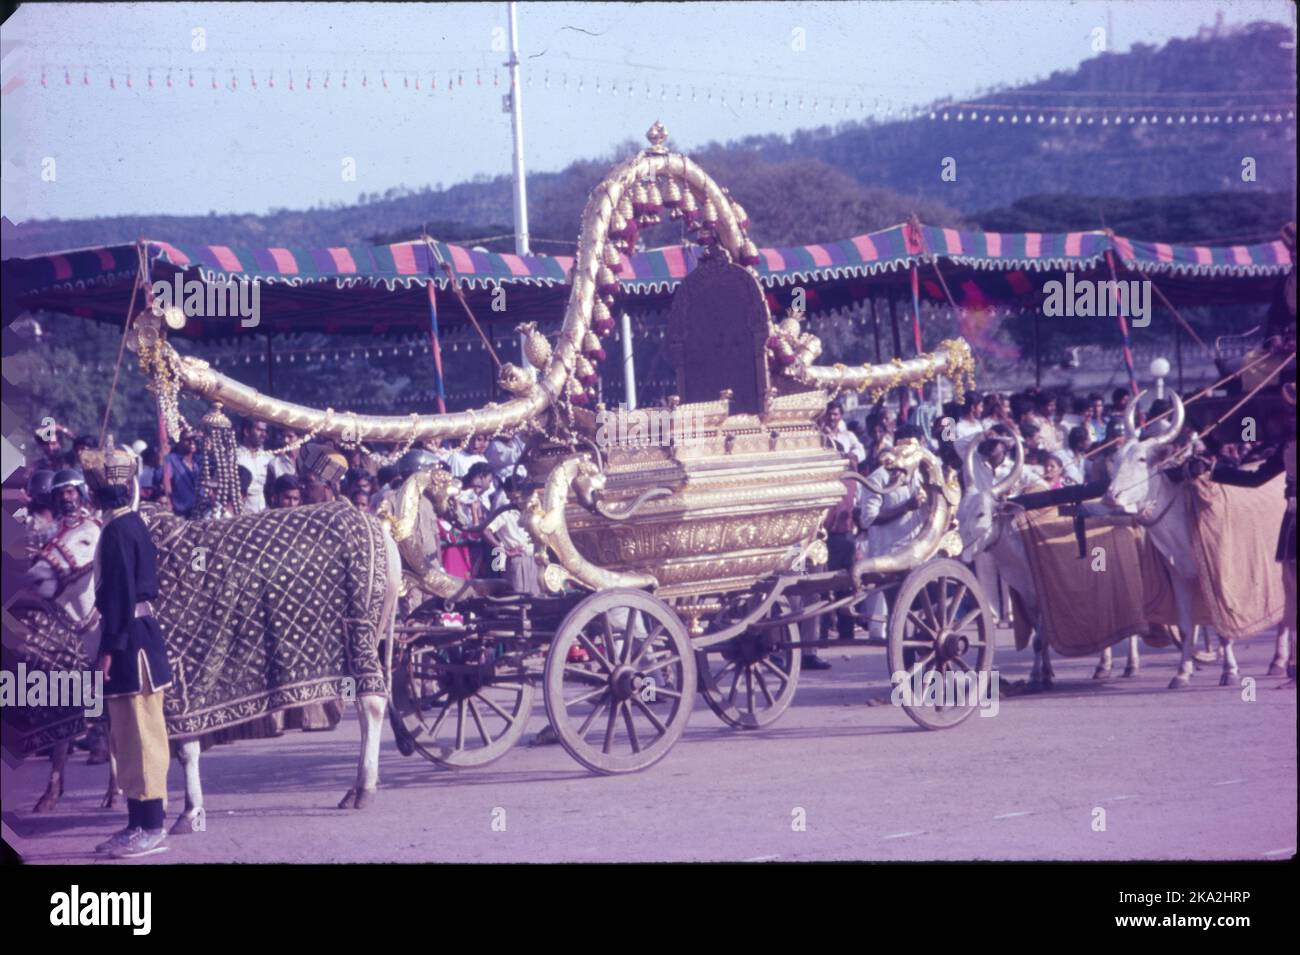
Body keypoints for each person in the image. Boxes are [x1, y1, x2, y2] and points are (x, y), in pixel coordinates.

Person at [80, 445, 174, 859]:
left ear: (97, 495)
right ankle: (136, 822)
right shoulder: (128, 523)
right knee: (126, 738)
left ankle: (151, 825)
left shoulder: (119, 530)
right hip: (132, 635)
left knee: (141, 736)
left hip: (130, 642)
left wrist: (106, 652)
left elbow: (118, 599)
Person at [856, 425, 931, 640]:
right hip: (890, 555)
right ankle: (903, 660)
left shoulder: (923, 476)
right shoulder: (878, 478)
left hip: (920, 552)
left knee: (923, 610)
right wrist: (905, 507)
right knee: (897, 615)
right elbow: (868, 519)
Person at [484, 474, 539, 595]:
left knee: (535, 598)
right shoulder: (504, 512)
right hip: (517, 559)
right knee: (518, 599)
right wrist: (504, 550)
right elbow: (485, 531)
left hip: (533, 558)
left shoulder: (530, 510)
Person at [235, 418, 275, 513]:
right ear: (247, 432)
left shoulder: (269, 458)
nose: (264, 435)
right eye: (259, 430)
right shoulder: (234, 457)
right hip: (241, 514)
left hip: (264, 513)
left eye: (265, 431)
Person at [164, 431, 199, 518]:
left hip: (200, 511)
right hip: (181, 514)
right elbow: (166, 484)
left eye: (194, 439)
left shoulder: (199, 461)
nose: (192, 442)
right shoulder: (171, 459)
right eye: (187, 440)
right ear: (179, 443)